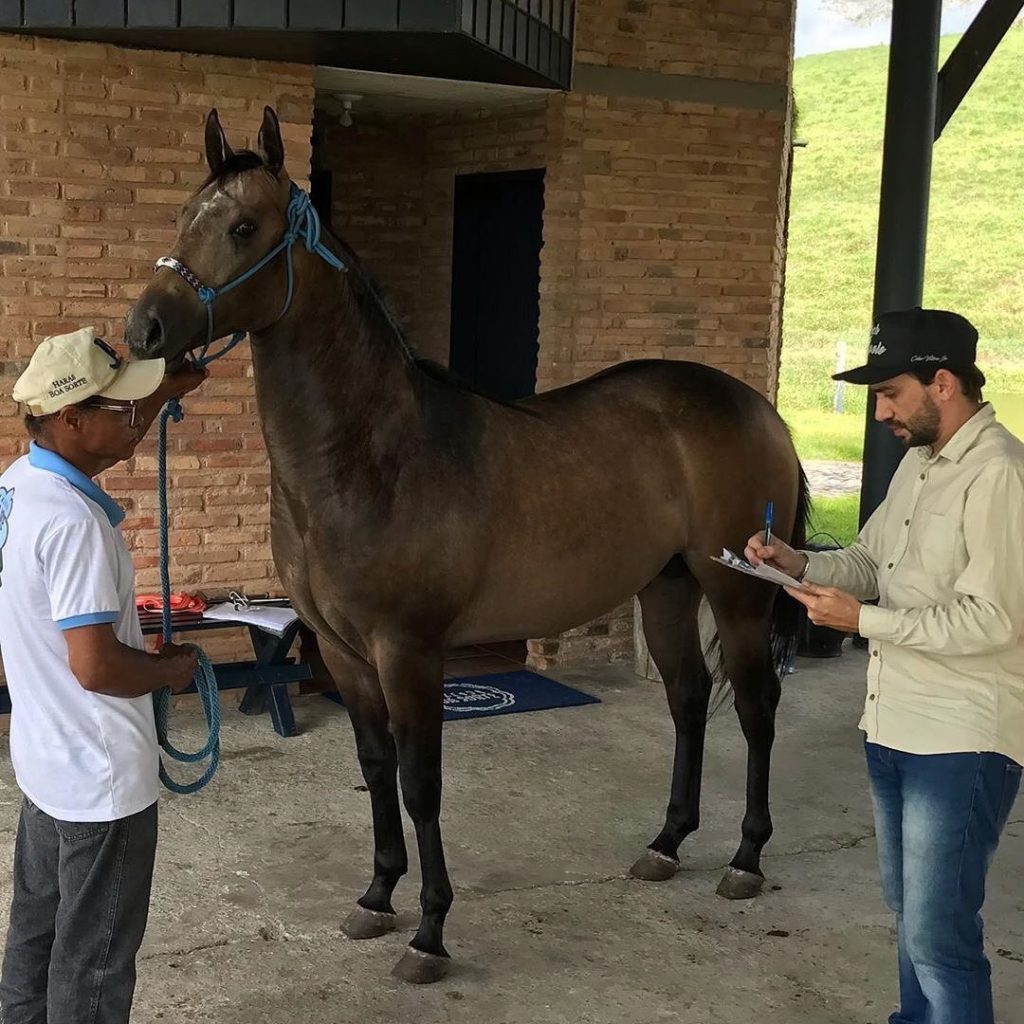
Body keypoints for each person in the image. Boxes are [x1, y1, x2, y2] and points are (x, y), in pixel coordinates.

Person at [746, 307, 1024, 1024]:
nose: (879, 412)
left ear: (943, 383)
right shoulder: (920, 462)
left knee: (939, 935)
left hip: (962, 738)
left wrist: (861, 621)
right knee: (910, 915)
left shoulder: (1000, 476)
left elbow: (994, 619)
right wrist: (797, 561)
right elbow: (872, 561)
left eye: (890, 393)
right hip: (893, 722)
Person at [0, 327, 206, 1024]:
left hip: (47, 761)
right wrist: (169, 670)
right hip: (100, 778)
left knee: (36, 928)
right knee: (94, 960)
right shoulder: (75, 523)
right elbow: (95, 666)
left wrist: (163, 390)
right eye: (119, 410)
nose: (131, 423)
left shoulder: (19, 484)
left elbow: (112, 435)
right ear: (71, 420)